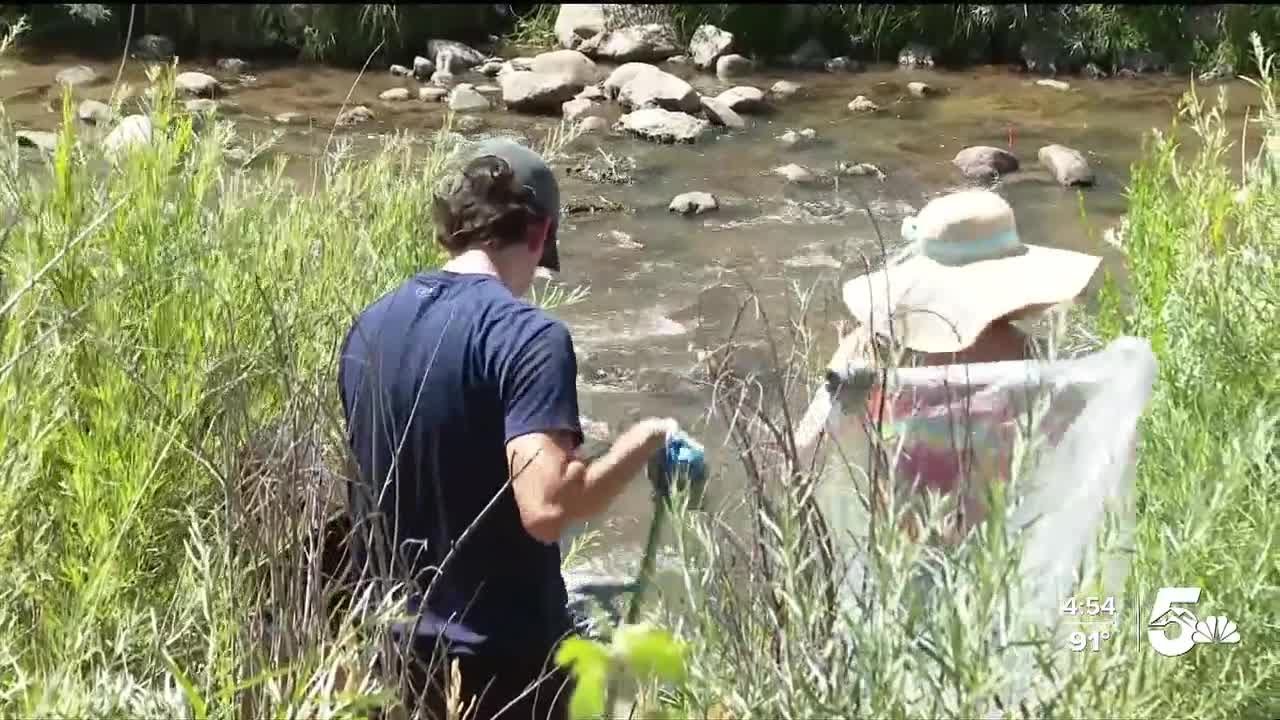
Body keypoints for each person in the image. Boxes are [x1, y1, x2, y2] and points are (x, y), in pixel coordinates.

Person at [336, 139, 696, 720]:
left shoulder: (369, 326)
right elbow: (548, 508)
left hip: (390, 663)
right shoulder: (527, 336)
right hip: (502, 673)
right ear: (538, 232)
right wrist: (646, 439)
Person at [836, 189, 1102, 543]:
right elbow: (1081, 460)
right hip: (1004, 548)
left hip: (900, 547)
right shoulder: (1040, 362)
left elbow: (813, 447)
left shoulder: (870, 351)